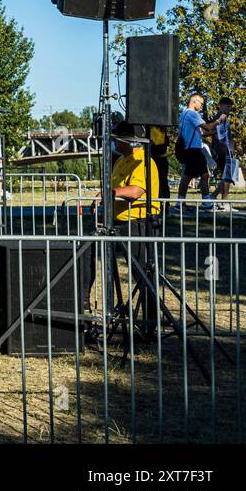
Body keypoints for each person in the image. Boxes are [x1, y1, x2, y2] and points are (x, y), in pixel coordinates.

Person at [105, 123, 161, 335]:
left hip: (138, 224)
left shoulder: (143, 161)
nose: (114, 142)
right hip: (119, 223)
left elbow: (135, 191)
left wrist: (109, 192)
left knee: (143, 276)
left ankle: (149, 324)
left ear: (126, 139)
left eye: (116, 138)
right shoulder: (121, 160)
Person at [175, 93, 224, 201]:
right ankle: (206, 200)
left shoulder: (183, 114)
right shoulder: (193, 114)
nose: (201, 106)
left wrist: (215, 132)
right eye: (201, 103)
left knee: (188, 176)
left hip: (187, 149)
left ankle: (180, 201)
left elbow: (202, 132)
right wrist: (219, 119)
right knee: (204, 175)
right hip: (194, 149)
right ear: (194, 101)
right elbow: (207, 127)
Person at [210, 96, 237, 205]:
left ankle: (213, 196)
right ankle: (224, 202)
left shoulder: (226, 118)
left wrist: (232, 146)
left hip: (226, 150)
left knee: (228, 176)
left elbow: (228, 134)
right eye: (228, 106)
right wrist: (223, 146)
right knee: (227, 176)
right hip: (219, 150)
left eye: (230, 107)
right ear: (221, 106)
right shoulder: (219, 117)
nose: (229, 109)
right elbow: (217, 134)